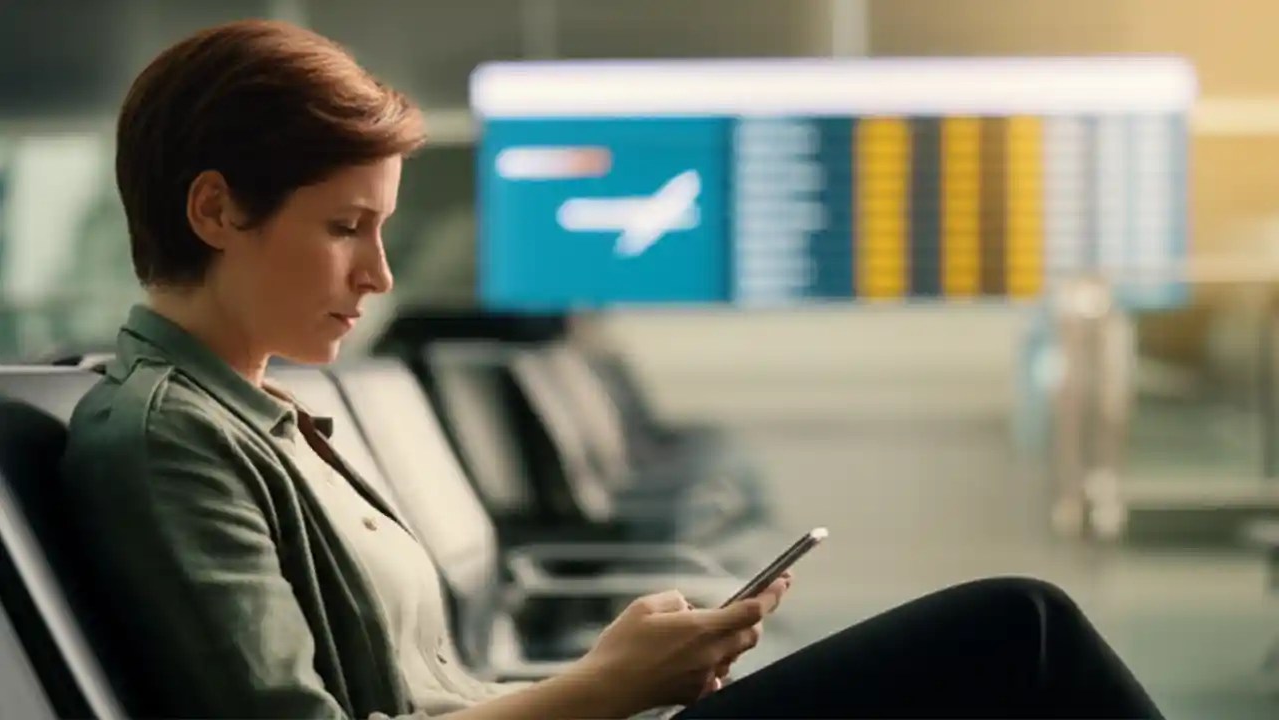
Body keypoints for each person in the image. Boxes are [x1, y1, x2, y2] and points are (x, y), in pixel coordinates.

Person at [59, 19, 1165, 720]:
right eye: (346, 226)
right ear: (215, 210)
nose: (381, 274)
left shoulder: (251, 412)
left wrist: (604, 680)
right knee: (1014, 633)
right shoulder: (167, 437)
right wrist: (599, 691)